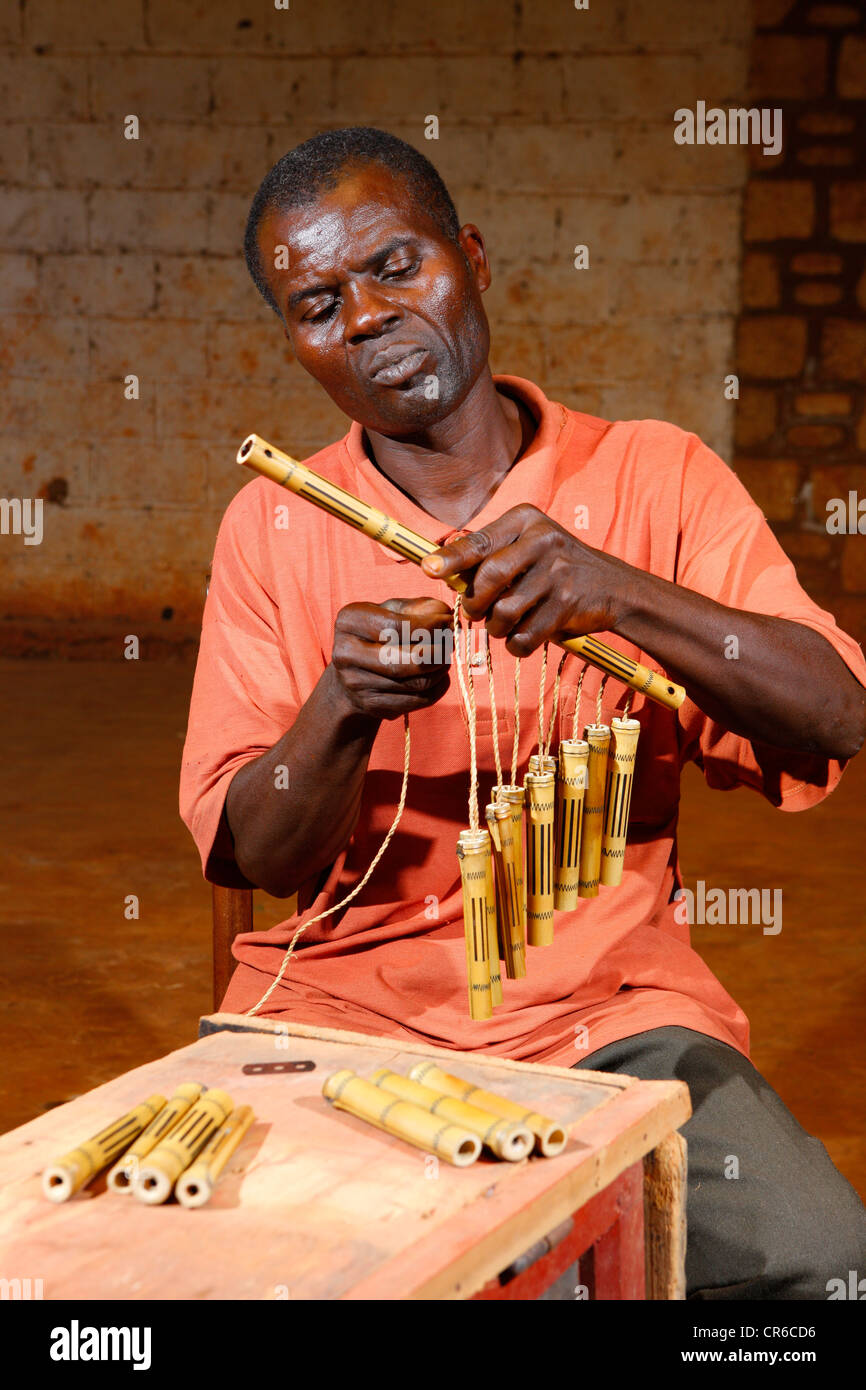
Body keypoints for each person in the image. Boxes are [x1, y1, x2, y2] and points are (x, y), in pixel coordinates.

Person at [181, 127, 866, 1298]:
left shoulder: (657, 474)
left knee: (825, 1268)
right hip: (337, 1021)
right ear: (296, 341)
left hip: (610, 1014)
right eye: (315, 303)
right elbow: (254, 849)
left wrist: (623, 591)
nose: (365, 318)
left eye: (396, 267)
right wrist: (337, 711)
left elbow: (834, 713)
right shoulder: (271, 525)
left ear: (474, 258)